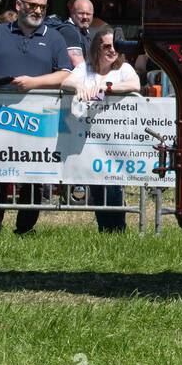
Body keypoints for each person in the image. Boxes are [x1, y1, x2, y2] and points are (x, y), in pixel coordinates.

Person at [0, 0, 74, 234]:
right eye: (32, 5)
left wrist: (33, 83)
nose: (37, 11)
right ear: (18, 5)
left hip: (37, 119)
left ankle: (25, 228)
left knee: (33, 175)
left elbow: (65, 74)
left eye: (42, 7)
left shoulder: (54, 37)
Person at [64, 25, 140, 232]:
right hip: (89, 139)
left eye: (115, 46)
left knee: (113, 184)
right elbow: (67, 81)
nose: (112, 51)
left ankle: (117, 230)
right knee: (97, 185)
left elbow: (135, 85)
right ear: (97, 47)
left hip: (115, 139)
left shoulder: (123, 69)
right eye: (106, 46)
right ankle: (104, 230)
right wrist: (78, 86)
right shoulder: (85, 68)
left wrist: (108, 88)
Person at [46, 0, 94, 68]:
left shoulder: (84, 32)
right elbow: (78, 65)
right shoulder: (69, 31)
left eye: (88, 14)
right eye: (81, 13)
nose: (85, 17)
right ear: (72, 12)